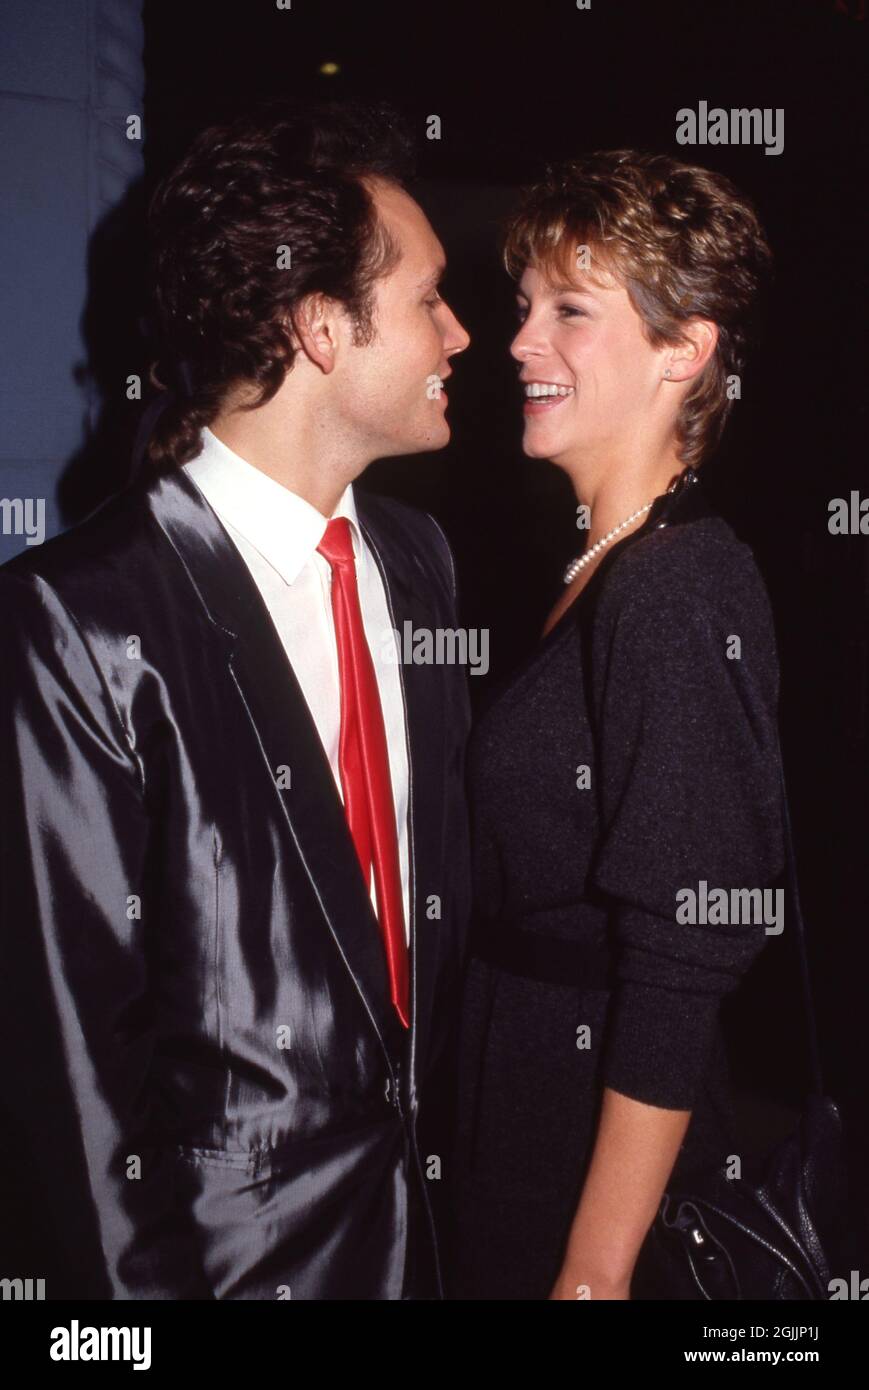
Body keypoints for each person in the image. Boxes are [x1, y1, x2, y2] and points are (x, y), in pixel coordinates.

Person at [0, 99, 472, 1300]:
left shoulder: (418, 562)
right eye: (427, 299)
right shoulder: (83, 616)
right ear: (320, 326)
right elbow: (72, 1075)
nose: (459, 334)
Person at [449, 150, 786, 1300]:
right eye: (525, 307)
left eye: (570, 312)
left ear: (679, 352)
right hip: (526, 1113)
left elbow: (685, 954)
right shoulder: (601, 572)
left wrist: (592, 1274)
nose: (517, 343)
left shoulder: (674, 587)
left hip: (588, 1171)